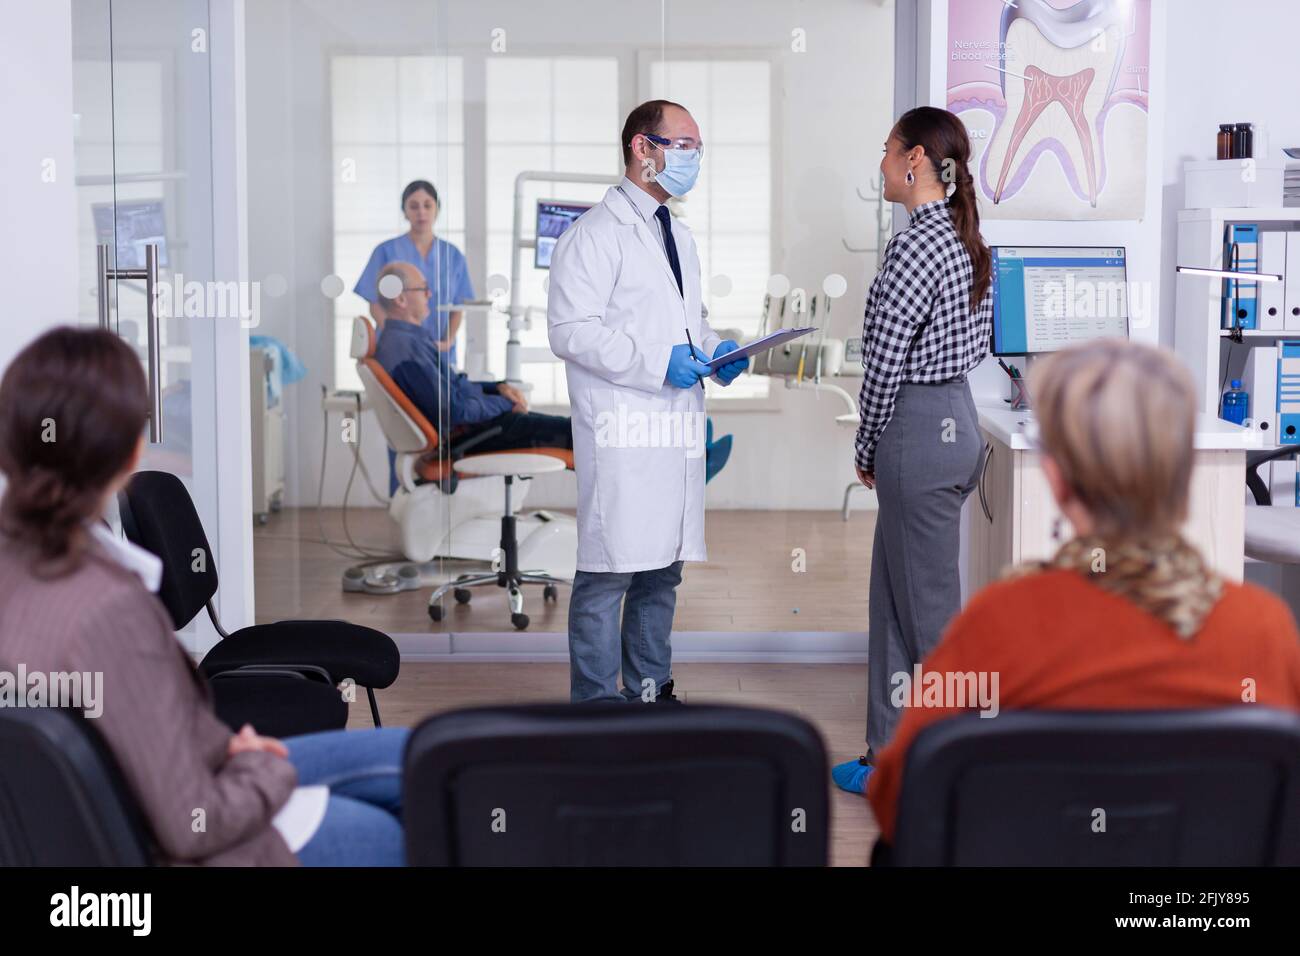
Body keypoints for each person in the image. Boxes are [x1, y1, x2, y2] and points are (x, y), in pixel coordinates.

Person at [866, 338, 1300, 846]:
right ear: (1182, 472)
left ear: (1057, 476)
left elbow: (901, 796)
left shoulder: (999, 623)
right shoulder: (1260, 628)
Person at [0, 327, 407, 866]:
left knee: (419, 756)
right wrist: (258, 767)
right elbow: (193, 826)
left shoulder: (21, 563)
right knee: (398, 822)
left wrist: (236, 758)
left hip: (177, 779)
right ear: (131, 454)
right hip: (195, 833)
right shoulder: (107, 610)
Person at [547, 99, 749, 704]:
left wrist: (716, 350)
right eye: (683, 144)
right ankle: (595, 707)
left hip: (673, 430)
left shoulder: (676, 234)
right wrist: (657, 363)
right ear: (643, 149)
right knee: (608, 576)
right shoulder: (593, 235)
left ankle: (649, 693)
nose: (693, 158)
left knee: (662, 572)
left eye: (697, 147)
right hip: (623, 431)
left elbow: (688, 322)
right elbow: (569, 330)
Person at [833, 106, 994, 793]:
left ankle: (967, 772)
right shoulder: (963, 238)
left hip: (917, 430)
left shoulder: (915, 246)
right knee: (894, 601)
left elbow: (885, 365)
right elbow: (976, 345)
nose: (881, 164)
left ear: (917, 160)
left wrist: (866, 445)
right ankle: (886, 755)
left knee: (928, 614)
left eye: (887, 150)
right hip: (954, 414)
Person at [373, 261, 573, 472]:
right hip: (475, 436)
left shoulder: (406, 341)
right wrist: (504, 403)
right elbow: (454, 410)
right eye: (423, 289)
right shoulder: (405, 349)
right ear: (400, 299)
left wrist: (497, 388)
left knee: (575, 429)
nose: (429, 295)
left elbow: (454, 386)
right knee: (575, 433)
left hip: (483, 427)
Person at [355, 179, 473, 366]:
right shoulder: (385, 251)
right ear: (405, 211)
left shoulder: (453, 255)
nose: (421, 213)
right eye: (414, 206)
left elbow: (458, 307)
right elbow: (374, 302)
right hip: (397, 349)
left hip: (438, 350)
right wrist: (399, 336)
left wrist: (447, 341)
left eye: (427, 205)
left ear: (437, 209)